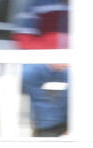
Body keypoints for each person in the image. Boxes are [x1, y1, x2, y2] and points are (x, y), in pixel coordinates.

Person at [13, 0, 70, 136]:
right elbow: (23, 38)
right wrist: (50, 56)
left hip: (77, 63)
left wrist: (72, 59)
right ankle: (49, 125)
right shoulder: (36, 3)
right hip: (43, 60)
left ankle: (56, 124)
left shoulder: (92, 6)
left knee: (88, 77)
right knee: (27, 73)